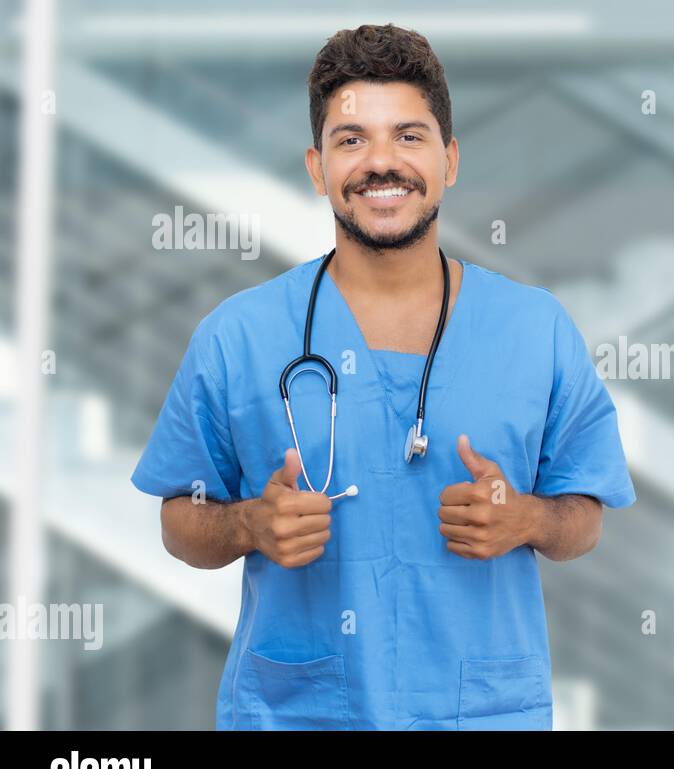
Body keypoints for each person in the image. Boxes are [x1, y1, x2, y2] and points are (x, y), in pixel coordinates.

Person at [130, 23, 635, 730]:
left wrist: (527, 517)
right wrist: (250, 522)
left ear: (450, 159)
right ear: (316, 168)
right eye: (351, 140)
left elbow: (584, 514)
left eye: (408, 136)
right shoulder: (238, 336)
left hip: (480, 712)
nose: (381, 162)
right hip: (297, 713)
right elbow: (179, 522)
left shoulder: (536, 330)